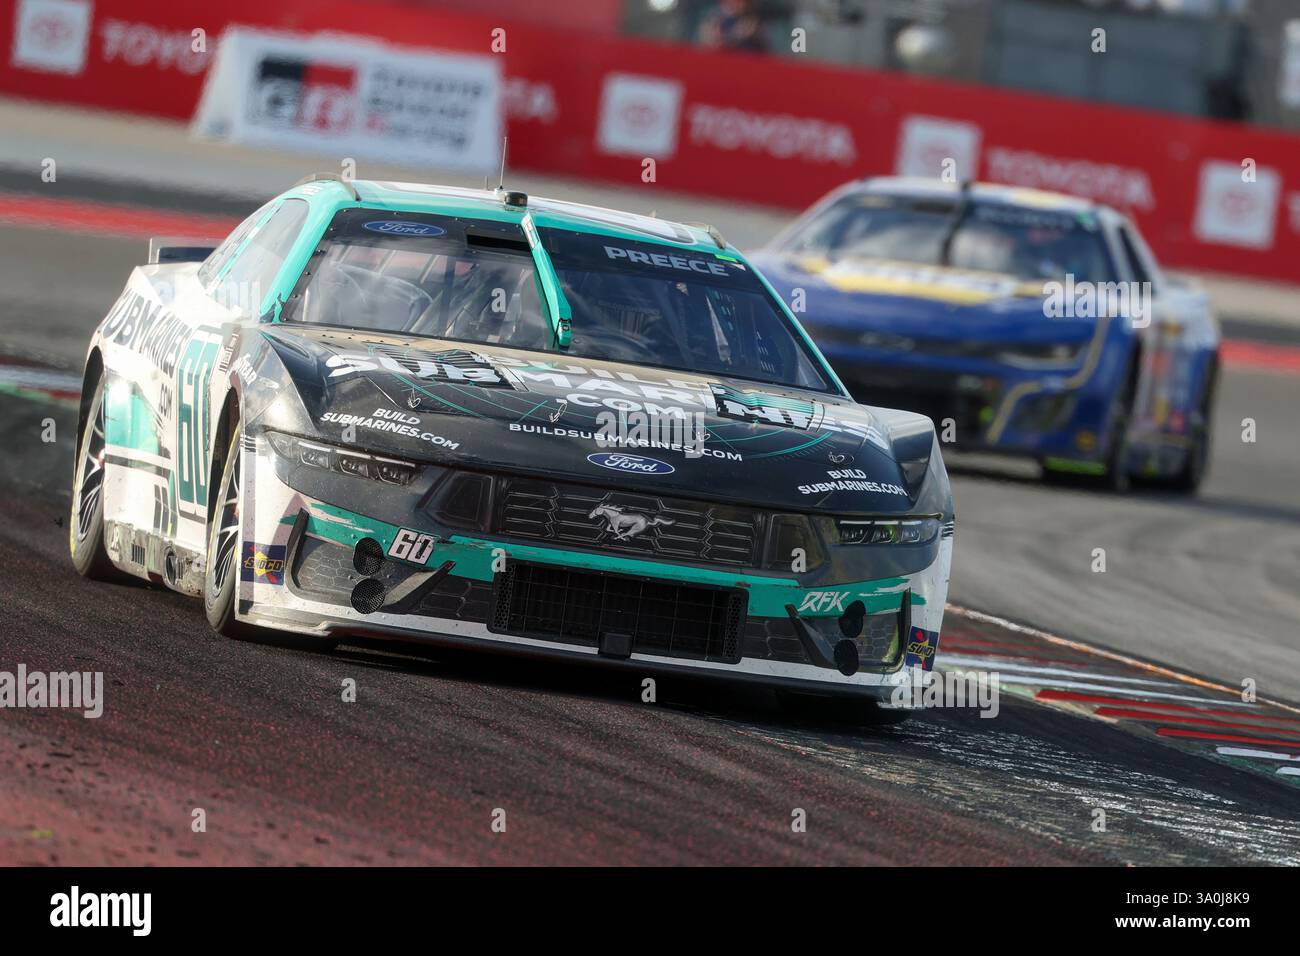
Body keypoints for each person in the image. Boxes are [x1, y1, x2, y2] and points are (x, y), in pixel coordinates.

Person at [697, 0, 768, 53]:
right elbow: (708, 43)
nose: (739, 3)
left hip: (746, 63)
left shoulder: (753, 20)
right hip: (720, 61)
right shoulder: (714, 16)